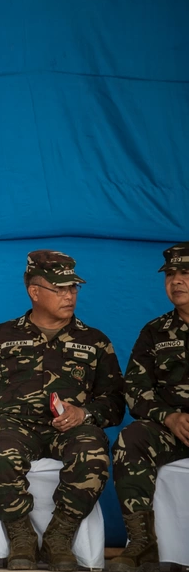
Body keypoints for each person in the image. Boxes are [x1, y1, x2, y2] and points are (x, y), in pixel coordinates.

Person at [0, 251, 124, 572]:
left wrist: (84, 414)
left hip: (71, 431)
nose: (69, 295)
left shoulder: (95, 342)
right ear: (35, 291)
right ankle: (20, 538)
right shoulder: (0, 336)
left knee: (94, 450)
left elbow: (115, 402)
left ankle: (58, 538)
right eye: (60, 288)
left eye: (73, 288)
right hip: (15, 427)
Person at [108, 243, 189, 572]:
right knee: (132, 437)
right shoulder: (155, 332)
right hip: (173, 430)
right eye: (170, 274)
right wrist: (168, 417)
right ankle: (143, 542)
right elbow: (135, 390)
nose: (176, 281)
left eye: (185, 273)